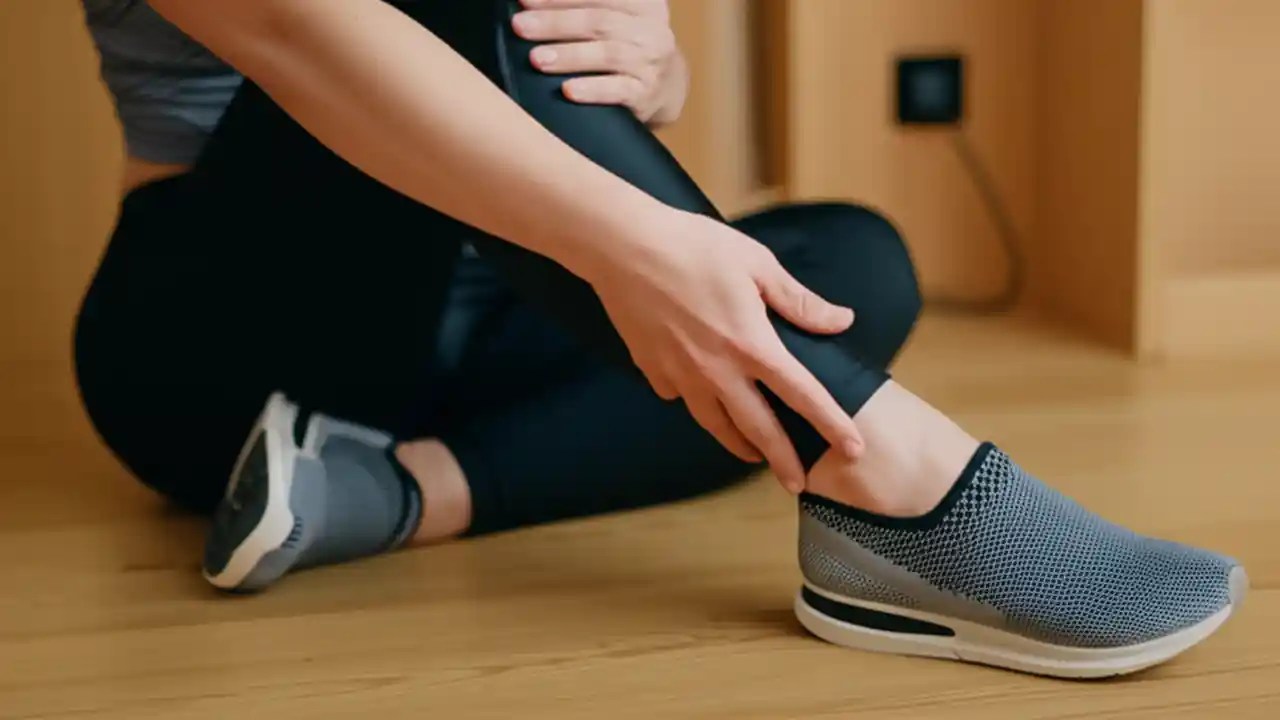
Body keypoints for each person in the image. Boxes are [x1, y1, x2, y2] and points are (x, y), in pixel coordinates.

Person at [73, 0, 1244, 678]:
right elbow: (298, 34)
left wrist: (656, 60)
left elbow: (593, 68)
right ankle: (898, 481)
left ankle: (390, 493)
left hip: (487, 315)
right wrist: (633, 246)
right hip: (227, 347)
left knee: (854, 267)